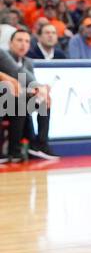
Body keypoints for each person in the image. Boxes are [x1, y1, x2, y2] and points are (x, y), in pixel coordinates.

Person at [0, 29, 57, 162]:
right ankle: (15, 150)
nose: (23, 44)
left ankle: (40, 144)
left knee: (43, 100)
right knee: (21, 99)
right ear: (10, 43)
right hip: (5, 102)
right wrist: (38, 87)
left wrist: (39, 92)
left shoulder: (28, 62)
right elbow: (16, 72)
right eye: (19, 40)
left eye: (26, 41)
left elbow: (27, 85)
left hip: (17, 103)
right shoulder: (3, 56)